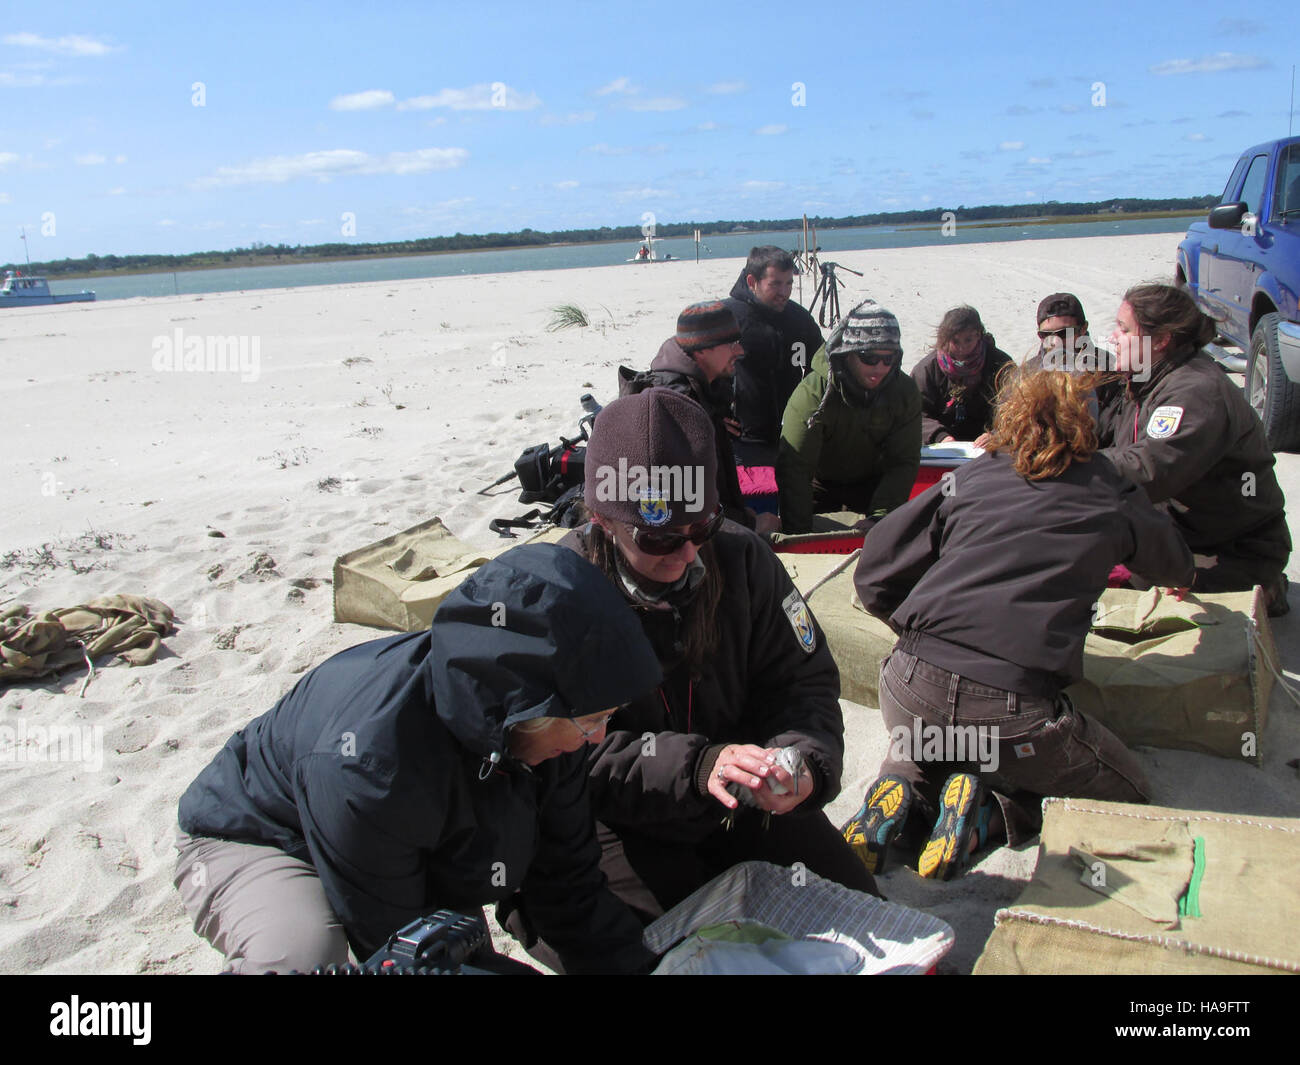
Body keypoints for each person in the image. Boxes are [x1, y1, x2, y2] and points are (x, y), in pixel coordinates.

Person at [173, 544, 664, 974]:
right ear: (523, 705)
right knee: (306, 953)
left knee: (458, 943)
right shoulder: (372, 763)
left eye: (607, 717)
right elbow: (395, 943)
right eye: (591, 720)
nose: (600, 738)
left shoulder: (553, 717)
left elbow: (567, 884)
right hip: (258, 835)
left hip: (395, 837)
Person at [849, 368, 1194, 881]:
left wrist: (922, 636)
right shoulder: (1110, 487)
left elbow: (874, 569)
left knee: (931, 743)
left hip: (907, 684)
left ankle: (900, 790)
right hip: (1012, 712)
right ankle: (989, 811)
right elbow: (1176, 566)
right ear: (1088, 425)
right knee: (1132, 789)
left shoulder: (973, 474)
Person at [566, 387, 875, 920]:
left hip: (742, 797)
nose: (687, 554)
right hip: (616, 820)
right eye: (659, 539)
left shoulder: (742, 558)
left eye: (702, 527)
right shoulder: (563, 593)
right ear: (602, 521)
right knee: (660, 948)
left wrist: (801, 761)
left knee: (855, 911)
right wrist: (694, 768)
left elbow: (803, 682)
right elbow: (561, 755)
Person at [1096, 282, 1291, 615]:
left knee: (1136, 591)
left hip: (1231, 545)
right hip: (1181, 529)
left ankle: (1262, 587)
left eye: (1124, 329)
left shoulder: (1196, 391)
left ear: (1160, 340)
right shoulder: (1145, 379)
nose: (1113, 337)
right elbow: (1109, 440)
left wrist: (1075, 463)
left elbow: (1151, 468)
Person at [618, 300, 780, 534]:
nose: (740, 351)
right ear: (702, 349)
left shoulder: (705, 390)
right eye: (731, 344)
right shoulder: (676, 408)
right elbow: (686, 505)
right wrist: (751, 525)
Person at [776, 299, 922, 534]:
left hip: (874, 484)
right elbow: (795, 468)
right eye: (870, 358)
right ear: (848, 354)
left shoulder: (904, 393)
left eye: (889, 359)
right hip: (818, 485)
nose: (879, 368)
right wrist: (799, 534)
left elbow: (903, 462)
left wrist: (879, 517)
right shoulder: (813, 394)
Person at [724, 246, 825, 467]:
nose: (784, 292)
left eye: (789, 283)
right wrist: (710, 415)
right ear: (752, 282)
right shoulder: (725, 318)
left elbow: (822, 370)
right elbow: (693, 373)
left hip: (793, 434)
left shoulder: (800, 319)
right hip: (742, 442)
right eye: (775, 284)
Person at [911, 305, 1013, 446]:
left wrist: (997, 434)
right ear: (945, 339)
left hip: (991, 446)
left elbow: (1016, 409)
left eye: (968, 340)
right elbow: (915, 414)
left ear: (978, 335)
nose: (962, 348)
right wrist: (940, 436)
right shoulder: (927, 370)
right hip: (943, 447)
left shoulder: (1001, 365)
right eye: (956, 341)